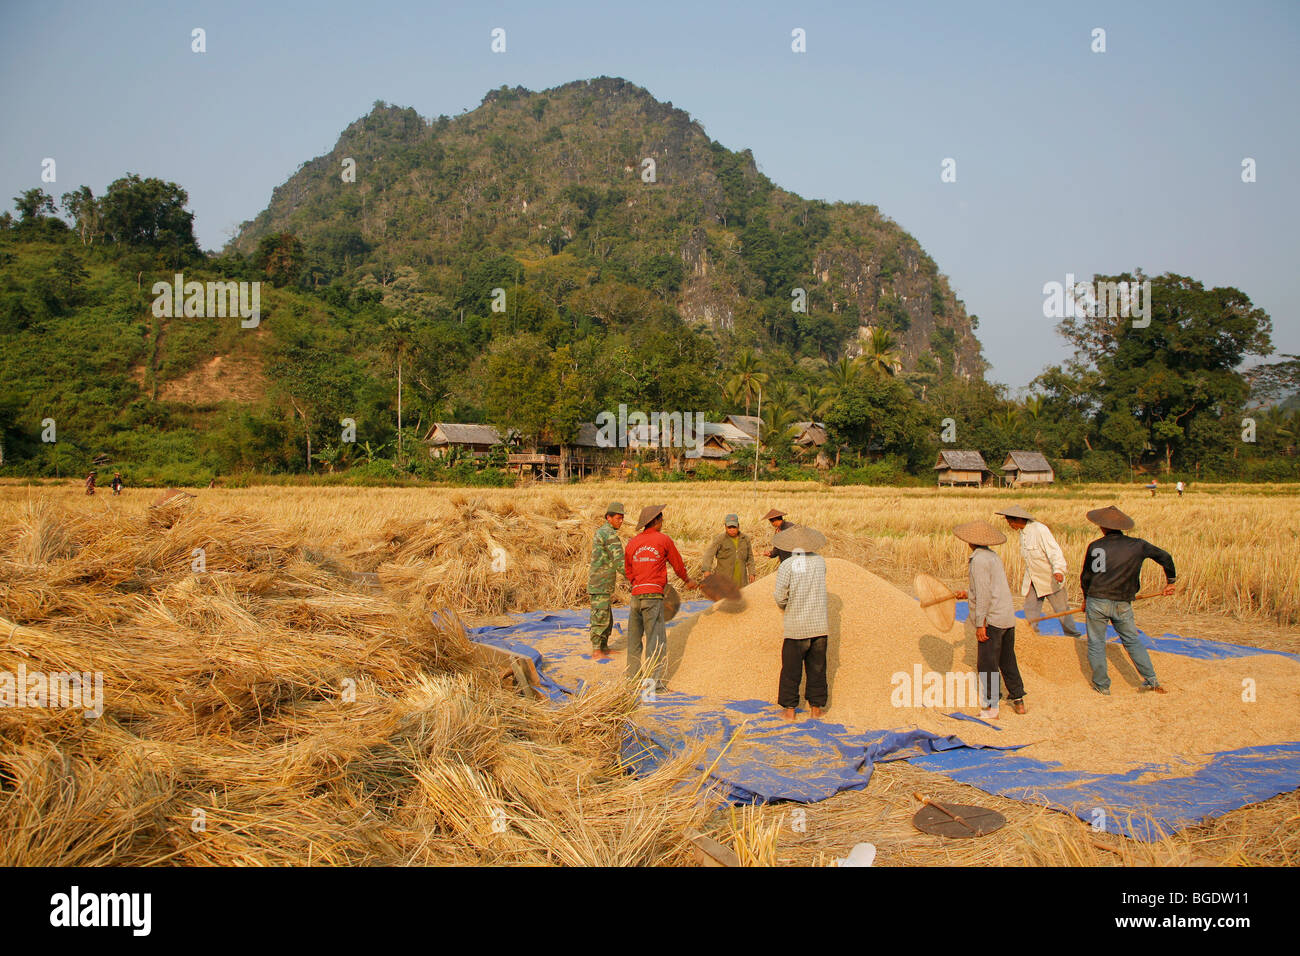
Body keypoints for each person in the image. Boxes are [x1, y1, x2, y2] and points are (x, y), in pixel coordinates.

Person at [1079, 506, 1177, 696]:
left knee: (1096, 643)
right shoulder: (1138, 545)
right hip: (1123, 602)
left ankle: (1102, 686)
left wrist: (1085, 598)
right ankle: (1151, 680)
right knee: (1132, 641)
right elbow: (1165, 557)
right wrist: (1170, 581)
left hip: (1097, 600)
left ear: (1102, 527)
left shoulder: (1096, 546)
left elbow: (1086, 576)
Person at [951, 520, 1026, 719]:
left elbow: (984, 594)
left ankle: (992, 707)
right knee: (1007, 659)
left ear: (970, 542)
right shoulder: (993, 557)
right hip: (1007, 616)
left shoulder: (978, 560)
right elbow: (989, 588)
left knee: (987, 663)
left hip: (992, 619)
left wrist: (980, 624)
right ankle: (1018, 700)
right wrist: (967, 593)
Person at [624, 505, 697, 692]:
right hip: (653, 597)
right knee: (655, 641)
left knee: (633, 640)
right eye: (661, 520)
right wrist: (688, 580)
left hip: (635, 597)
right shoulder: (663, 540)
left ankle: (632, 682)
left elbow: (628, 569)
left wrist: (637, 582)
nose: (662, 523)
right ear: (656, 521)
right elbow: (677, 564)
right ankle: (652, 685)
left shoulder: (632, 543)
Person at [995, 505, 1082, 637]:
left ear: (1018, 519)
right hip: (1033, 579)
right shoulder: (1022, 533)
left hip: (1049, 578)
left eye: (1010, 522)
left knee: (1062, 611)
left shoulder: (1040, 530)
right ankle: (1032, 636)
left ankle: (1073, 637)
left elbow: (1054, 551)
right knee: (1030, 610)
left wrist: (1058, 570)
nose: (1010, 525)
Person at [772, 526, 830, 721]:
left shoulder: (787, 565)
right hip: (819, 626)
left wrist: (787, 605)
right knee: (817, 669)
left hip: (797, 627)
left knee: (791, 670)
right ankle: (816, 710)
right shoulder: (820, 562)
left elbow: (780, 596)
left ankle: (789, 711)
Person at [587, 502, 625, 659]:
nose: (621, 521)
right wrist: (635, 577)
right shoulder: (608, 534)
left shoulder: (606, 531)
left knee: (606, 616)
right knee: (600, 616)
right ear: (608, 518)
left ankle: (604, 647)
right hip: (600, 583)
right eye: (618, 518)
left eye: (622, 518)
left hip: (603, 582)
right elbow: (619, 561)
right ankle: (597, 650)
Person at [700, 514, 755, 587]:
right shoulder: (720, 539)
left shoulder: (745, 539)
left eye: (734, 527)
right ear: (725, 527)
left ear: (738, 526)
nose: (732, 530)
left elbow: (750, 557)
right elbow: (709, 554)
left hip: (741, 581)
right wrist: (706, 570)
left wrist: (752, 572)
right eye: (729, 527)